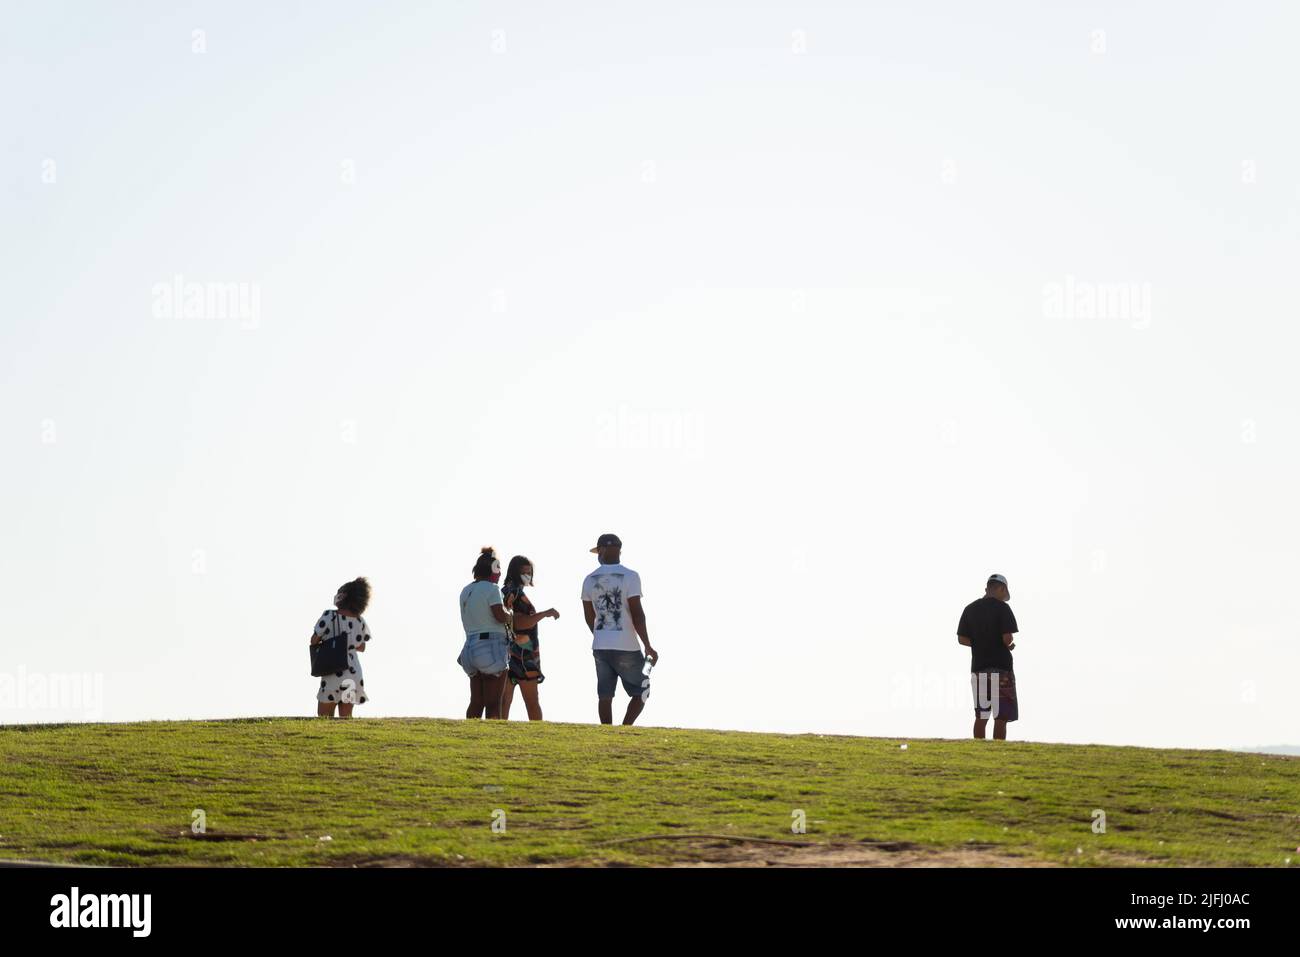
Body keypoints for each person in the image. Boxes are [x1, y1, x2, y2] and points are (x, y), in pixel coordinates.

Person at [581, 533, 658, 725]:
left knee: (605, 694)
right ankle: (625, 728)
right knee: (643, 688)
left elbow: (589, 615)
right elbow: (637, 614)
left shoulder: (589, 579)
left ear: (601, 550)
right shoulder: (631, 576)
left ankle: (607, 732)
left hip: (600, 644)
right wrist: (648, 645)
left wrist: (599, 634)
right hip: (627, 645)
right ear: (619, 551)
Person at [956, 573, 1020, 740]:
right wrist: (1009, 645)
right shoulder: (1003, 608)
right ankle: (997, 752)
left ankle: (979, 751)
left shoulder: (970, 609)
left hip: (979, 669)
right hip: (1001, 669)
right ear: (1001, 588)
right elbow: (1007, 638)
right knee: (1001, 716)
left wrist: (980, 643)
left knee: (982, 715)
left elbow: (962, 639)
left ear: (986, 588)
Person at [500, 555, 560, 721]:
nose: (528, 575)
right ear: (515, 572)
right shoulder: (514, 592)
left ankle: (498, 733)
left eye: (530, 572)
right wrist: (545, 614)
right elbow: (518, 623)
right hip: (522, 656)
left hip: (508, 652)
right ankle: (539, 737)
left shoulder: (507, 590)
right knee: (531, 702)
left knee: (504, 701)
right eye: (524, 572)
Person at [458, 547, 511, 719]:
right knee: (494, 703)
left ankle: (469, 737)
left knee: (476, 702)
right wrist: (510, 614)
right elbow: (499, 615)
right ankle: (493, 741)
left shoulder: (465, 591)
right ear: (494, 568)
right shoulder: (492, 589)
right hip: (490, 647)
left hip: (470, 647)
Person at [311, 577, 372, 718]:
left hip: (333, 672)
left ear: (343, 596)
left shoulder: (329, 616)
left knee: (324, 718)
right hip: (352, 672)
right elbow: (362, 646)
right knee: (345, 719)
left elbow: (314, 640)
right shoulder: (360, 621)